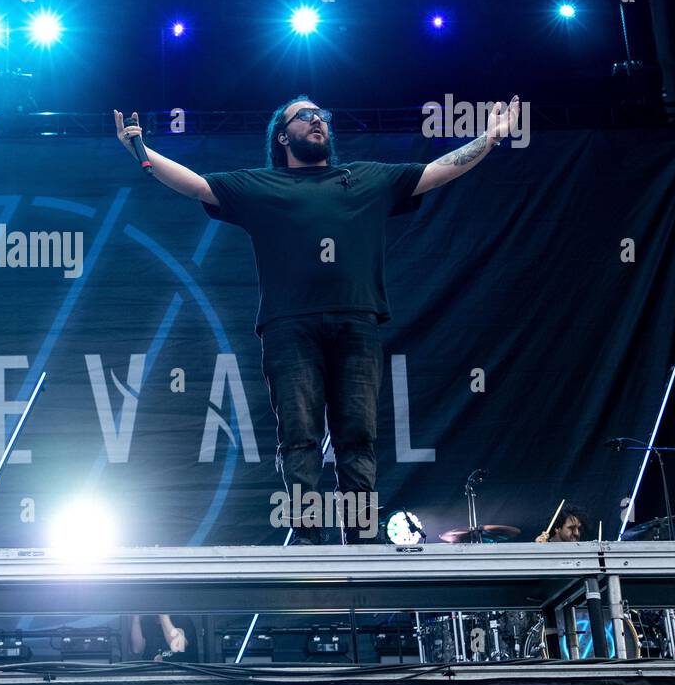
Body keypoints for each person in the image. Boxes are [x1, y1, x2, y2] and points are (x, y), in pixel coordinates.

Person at [113, 96, 519, 544]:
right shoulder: (262, 185)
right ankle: (307, 536)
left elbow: (437, 171)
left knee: (357, 434)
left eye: (321, 114)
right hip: (289, 326)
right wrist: (142, 152)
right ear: (283, 135)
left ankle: (360, 535)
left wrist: (490, 137)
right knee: (300, 434)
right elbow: (197, 186)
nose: (317, 119)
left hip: (357, 322)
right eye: (304, 116)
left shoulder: (365, 178)